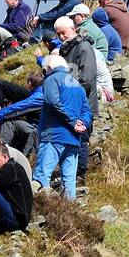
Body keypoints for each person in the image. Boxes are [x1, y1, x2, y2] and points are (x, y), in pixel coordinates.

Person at [31, 54, 91, 199]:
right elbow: (87, 111)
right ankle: (70, 212)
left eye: (45, 71)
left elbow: (52, 102)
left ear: (50, 68)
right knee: (69, 180)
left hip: (53, 136)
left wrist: (72, 121)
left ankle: (42, 208)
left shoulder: (51, 79)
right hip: (74, 139)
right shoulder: (76, 84)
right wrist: (82, 123)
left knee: (42, 175)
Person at [53, 16, 100, 181]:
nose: (61, 37)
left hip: (84, 104)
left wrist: (65, 94)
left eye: (63, 33)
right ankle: (69, 174)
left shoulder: (84, 47)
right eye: (57, 34)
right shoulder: (64, 51)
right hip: (70, 104)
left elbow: (86, 79)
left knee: (80, 139)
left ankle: (80, 174)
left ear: (72, 29)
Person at [0, 70, 44, 157]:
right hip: (42, 132)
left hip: (39, 134)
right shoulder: (47, 92)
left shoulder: (37, 98)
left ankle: (1, 153)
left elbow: (16, 109)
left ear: (29, 83)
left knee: (7, 121)